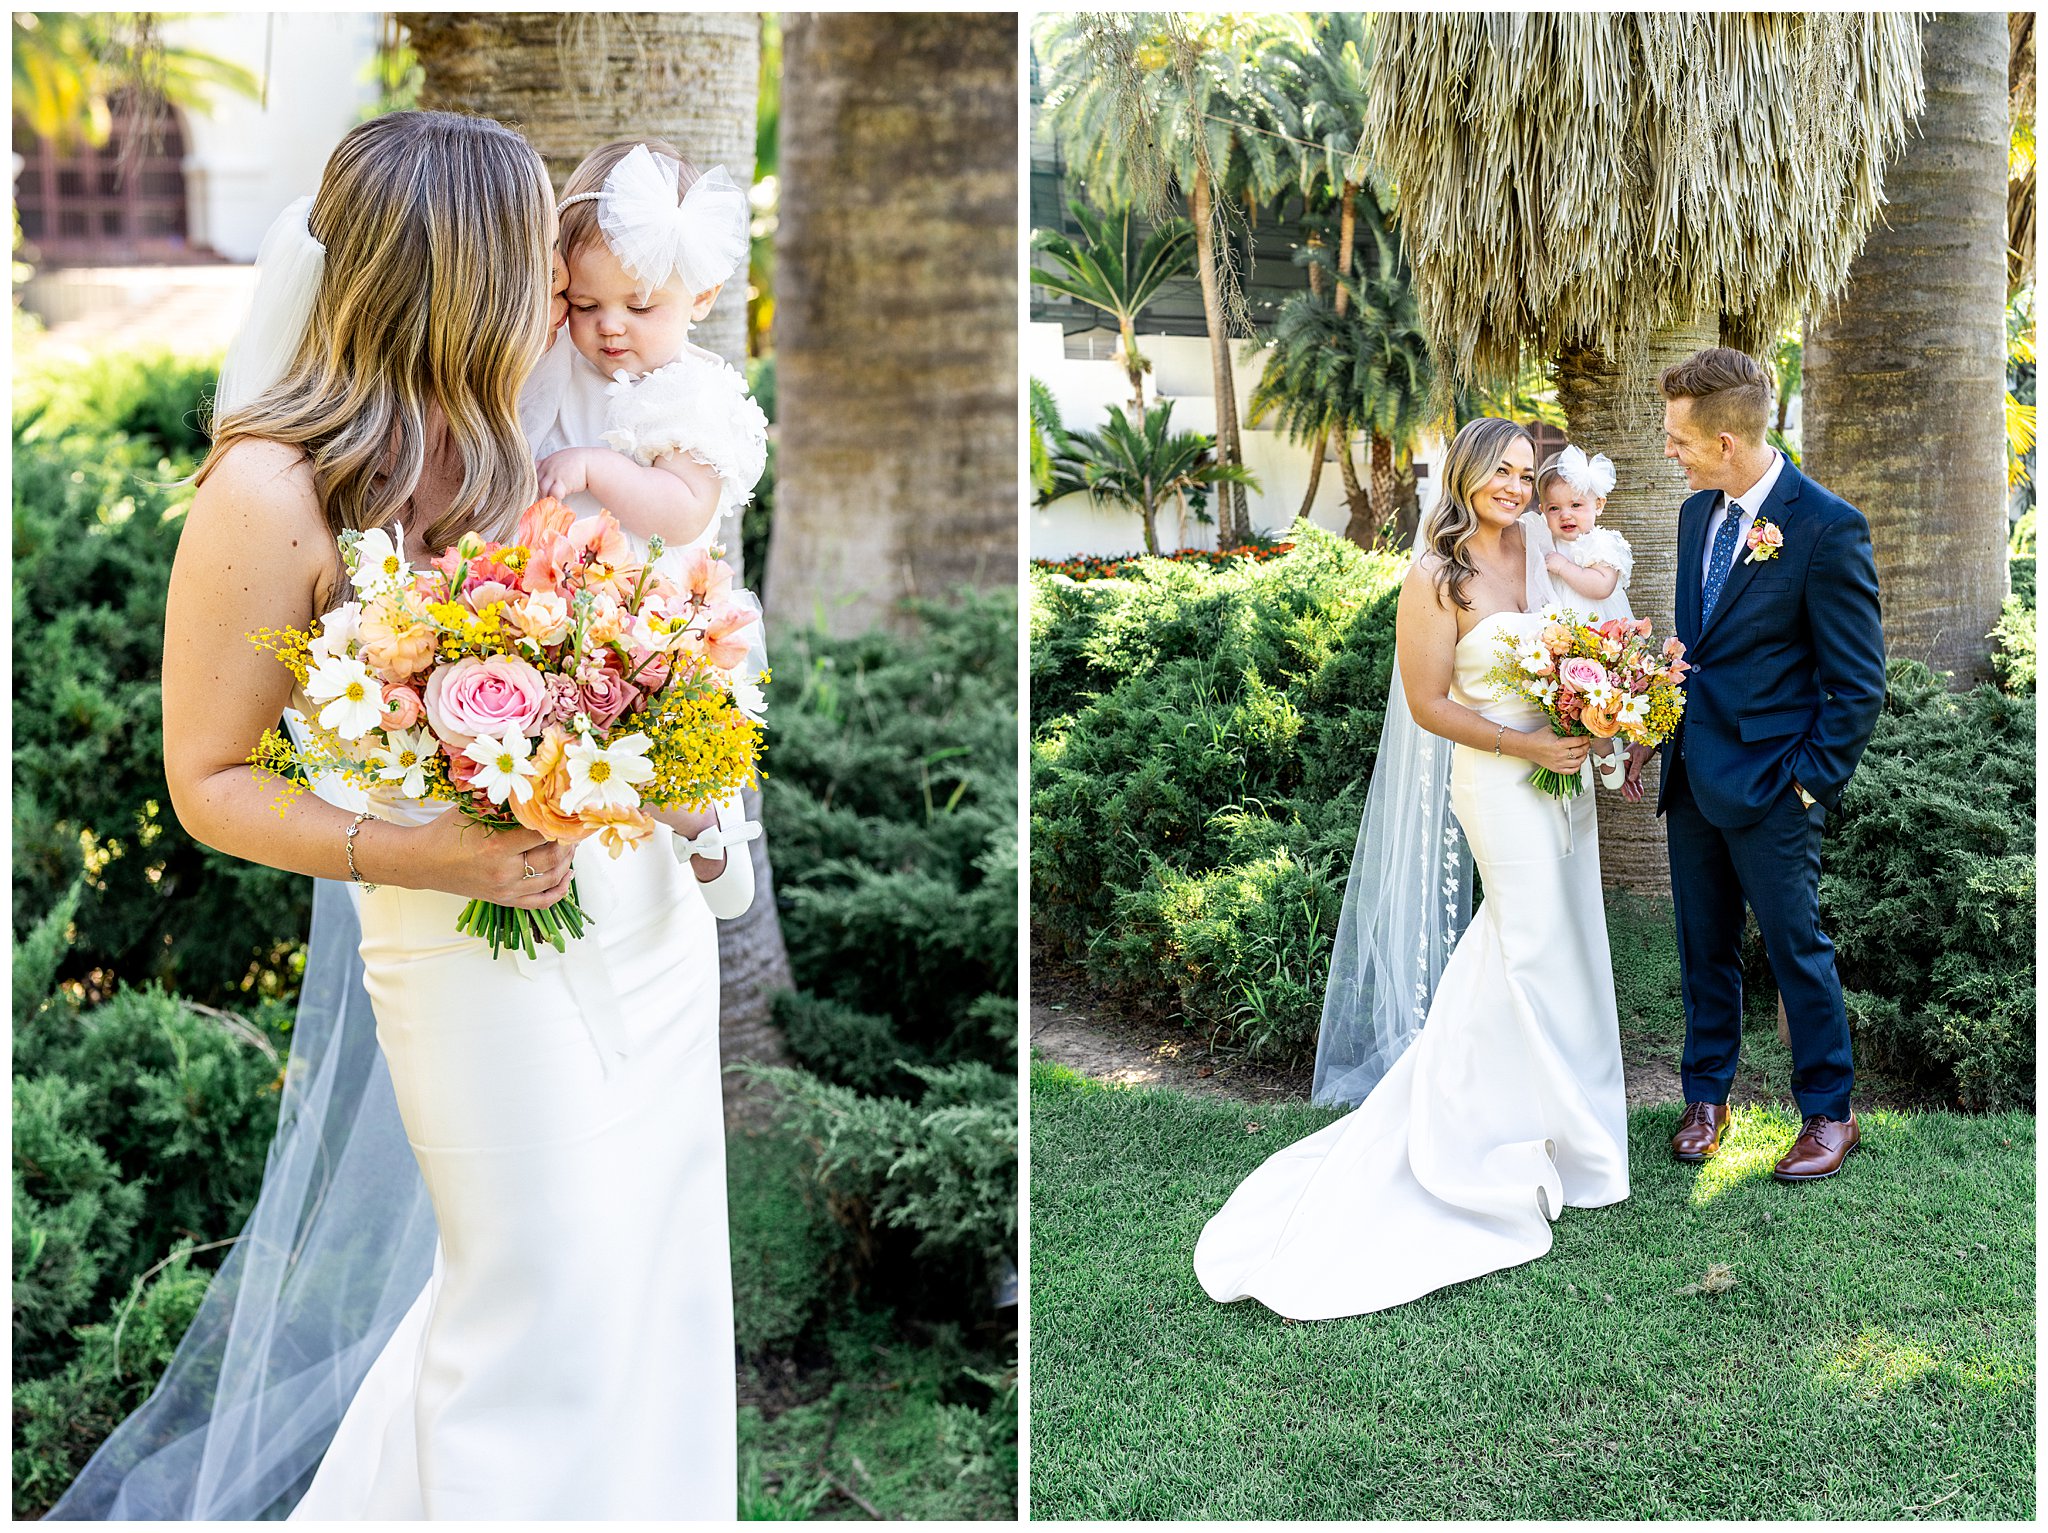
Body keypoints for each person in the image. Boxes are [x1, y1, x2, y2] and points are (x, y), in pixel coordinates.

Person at [53, 110, 740, 1520]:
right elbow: (210, 784)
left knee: (645, 1289)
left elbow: (638, 641)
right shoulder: (269, 489)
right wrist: (422, 849)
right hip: (463, 956)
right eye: (536, 271)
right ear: (457, 276)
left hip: (640, 928)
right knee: (527, 1306)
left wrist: (676, 754)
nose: (563, 302)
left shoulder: (519, 444)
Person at [1194, 417, 1628, 1322]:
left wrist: (1604, 712)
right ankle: (1490, 1141)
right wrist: (1527, 744)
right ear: (1466, 475)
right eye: (1500, 472)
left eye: (1525, 472)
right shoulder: (1436, 576)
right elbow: (1430, 705)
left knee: (1568, 943)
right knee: (1530, 946)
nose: (1516, 485)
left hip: (1563, 771)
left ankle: (1563, 1135)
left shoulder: (1548, 544)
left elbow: (1589, 637)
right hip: (1502, 779)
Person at [1638, 347, 1885, 1181]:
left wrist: (1807, 785)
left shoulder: (1825, 527)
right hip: (1692, 770)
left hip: (1777, 785)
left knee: (1794, 948)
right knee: (1701, 944)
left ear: (1728, 442)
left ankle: (1829, 1113)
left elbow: (1858, 686)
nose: (1668, 451)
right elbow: (1702, 645)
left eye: (1679, 440)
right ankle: (1706, 1097)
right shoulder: (1693, 514)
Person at [521, 135, 770, 890]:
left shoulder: (692, 393)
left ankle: (710, 827)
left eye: (640, 304)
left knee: (658, 731)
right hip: (555, 602)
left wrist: (598, 466)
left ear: (701, 297)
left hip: (650, 610)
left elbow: (684, 510)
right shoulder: (560, 365)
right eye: (586, 304)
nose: (610, 327)